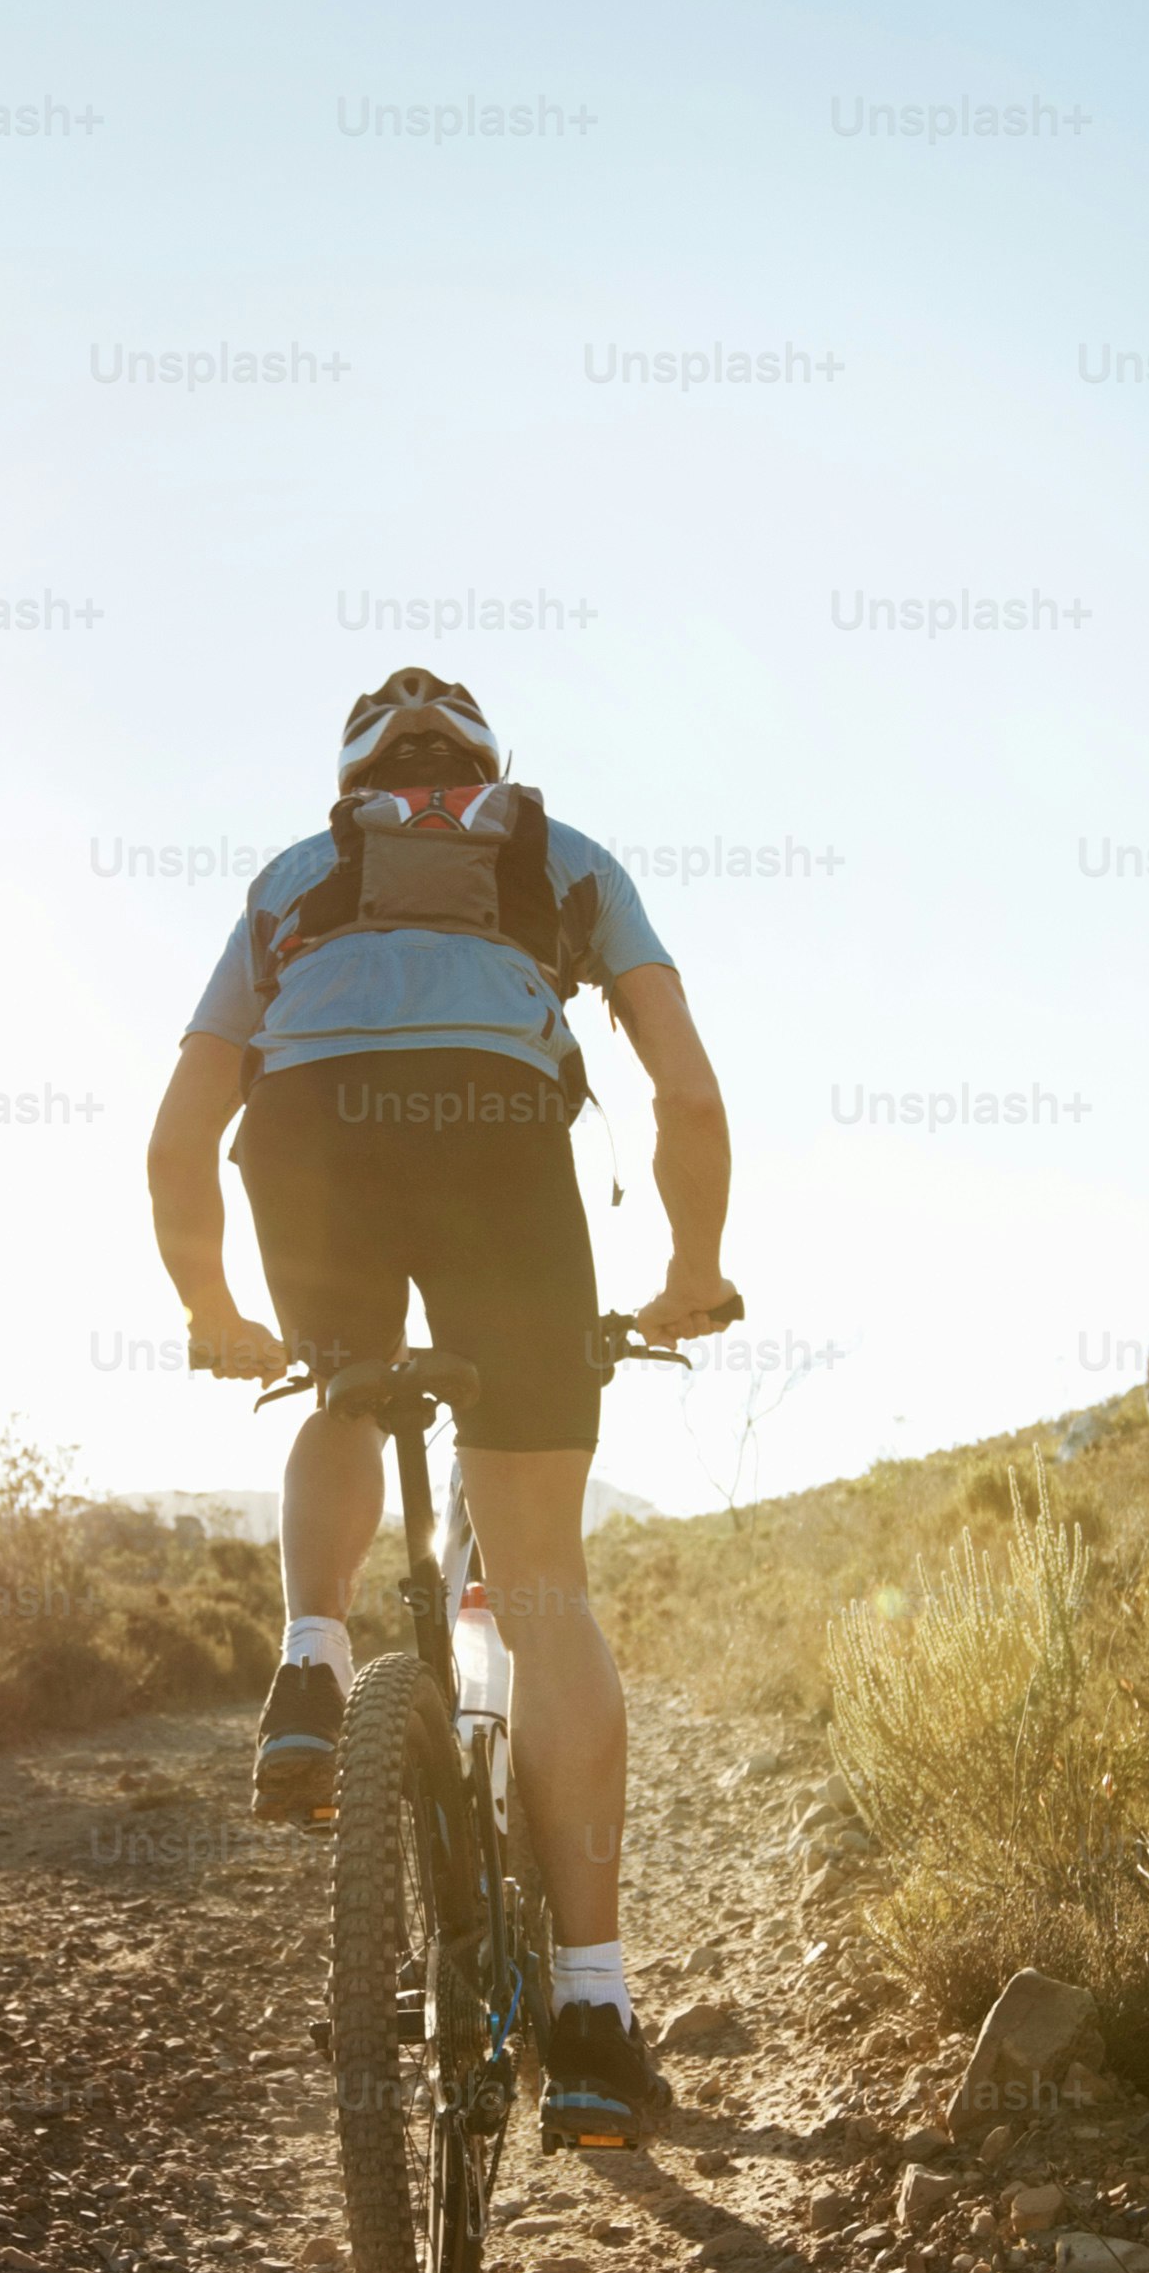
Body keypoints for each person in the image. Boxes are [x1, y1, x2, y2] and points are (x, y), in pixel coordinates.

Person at [141, 666, 738, 2140]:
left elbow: (181, 1132)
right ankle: (591, 2013)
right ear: (487, 763)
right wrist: (692, 1272)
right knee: (543, 1590)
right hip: (498, 1148)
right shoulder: (560, 857)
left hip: (307, 1140)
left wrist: (212, 1313)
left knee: (340, 1391)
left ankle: (310, 1663)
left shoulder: (297, 877)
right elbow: (687, 1095)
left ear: (354, 781)